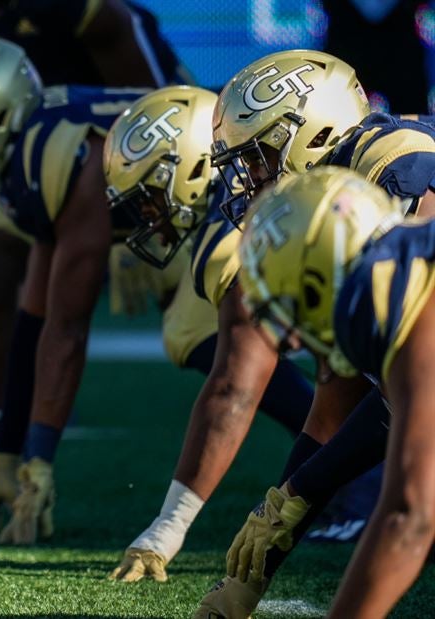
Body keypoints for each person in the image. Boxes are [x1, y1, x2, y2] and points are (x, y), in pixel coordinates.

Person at [0, 0, 195, 499]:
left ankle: (331, 466)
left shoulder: (80, 11)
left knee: (201, 332)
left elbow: (156, 103)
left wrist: (136, 196)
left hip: (137, 143)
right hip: (33, 146)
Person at [99, 85, 319, 581]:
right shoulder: (250, 210)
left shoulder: (235, 238)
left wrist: (169, 526)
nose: (147, 217)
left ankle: (367, 482)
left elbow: (233, 389)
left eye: (151, 198)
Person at [235, 166, 433, 618]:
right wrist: (301, 487)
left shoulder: (413, 300)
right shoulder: (405, 275)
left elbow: (408, 517)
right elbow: (389, 410)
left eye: (297, 304)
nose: (298, 340)